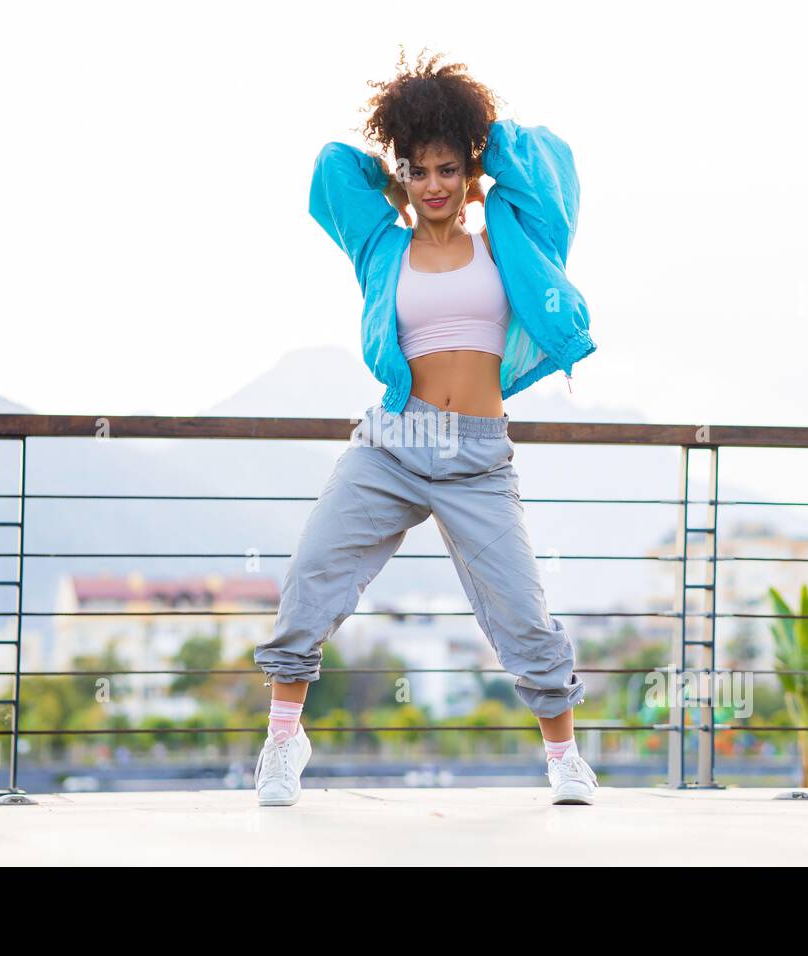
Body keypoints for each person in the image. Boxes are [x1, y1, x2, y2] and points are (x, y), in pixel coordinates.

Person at [253, 48, 599, 807]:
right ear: (404, 177)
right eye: (420, 170)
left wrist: (478, 138)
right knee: (312, 576)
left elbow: (552, 166)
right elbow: (329, 168)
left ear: (469, 174)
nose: (435, 186)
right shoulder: (382, 243)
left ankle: (565, 758)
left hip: (478, 455)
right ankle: (282, 744)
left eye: (449, 170)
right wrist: (395, 162)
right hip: (393, 444)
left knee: (523, 616)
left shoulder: (509, 238)